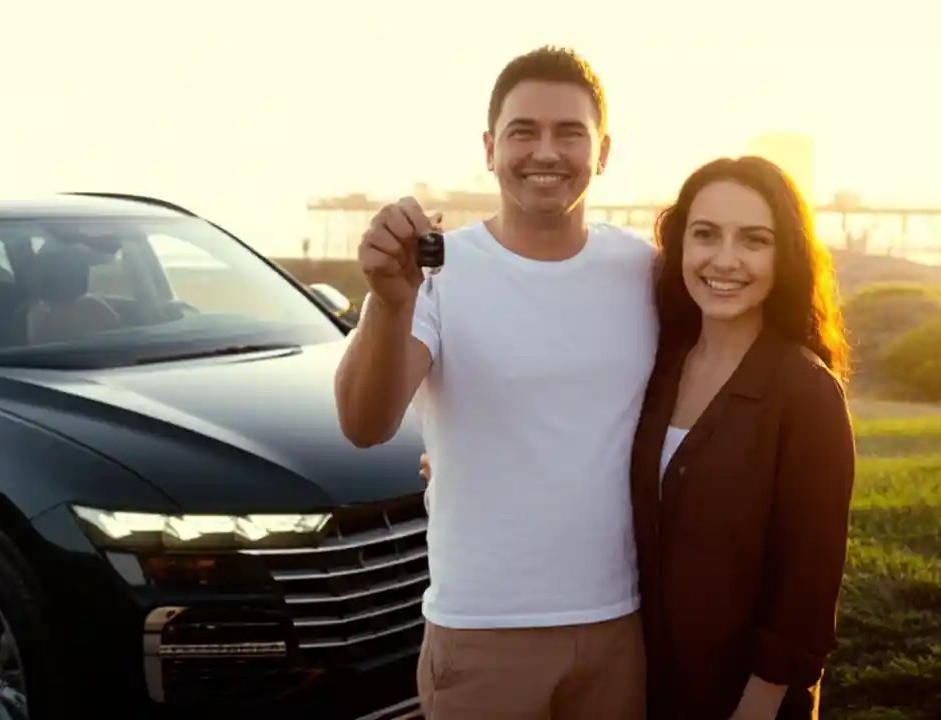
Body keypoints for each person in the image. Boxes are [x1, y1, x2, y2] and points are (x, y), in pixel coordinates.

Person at [420, 155, 857, 719]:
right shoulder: (662, 362)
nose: (725, 260)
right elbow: (584, 432)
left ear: (786, 255)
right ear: (679, 247)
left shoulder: (805, 392)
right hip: (643, 681)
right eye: (705, 236)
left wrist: (758, 705)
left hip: (746, 699)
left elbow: (808, 589)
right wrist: (466, 460)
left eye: (754, 240)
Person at [335, 46, 655, 719]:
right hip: (482, 629)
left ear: (603, 152)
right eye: (522, 131)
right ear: (489, 148)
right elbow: (365, 425)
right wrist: (389, 303)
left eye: (570, 132)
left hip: (619, 622)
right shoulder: (438, 274)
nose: (546, 151)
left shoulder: (644, 272)